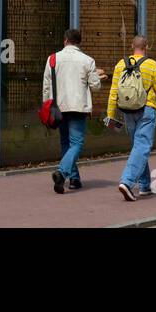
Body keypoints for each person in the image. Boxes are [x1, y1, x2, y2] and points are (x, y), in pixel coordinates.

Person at [105, 35, 156, 201]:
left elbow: (113, 93)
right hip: (147, 110)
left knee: (139, 146)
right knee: (142, 146)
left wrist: (110, 115)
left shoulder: (120, 64)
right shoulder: (151, 65)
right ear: (147, 47)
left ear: (132, 46)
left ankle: (145, 186)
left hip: (127, 111)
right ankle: (127, 181)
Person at [42, 28, 106, 193]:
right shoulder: (88, 61)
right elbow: (95, 87)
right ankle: (62, 173)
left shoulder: (52, 59)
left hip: (58, 108)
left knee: (66, 143)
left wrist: (46, 107)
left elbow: (46, 86)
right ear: (79, 42)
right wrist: (98, 77)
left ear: (65, 41)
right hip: (78, 107)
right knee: (76, 143)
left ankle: (74, 180)